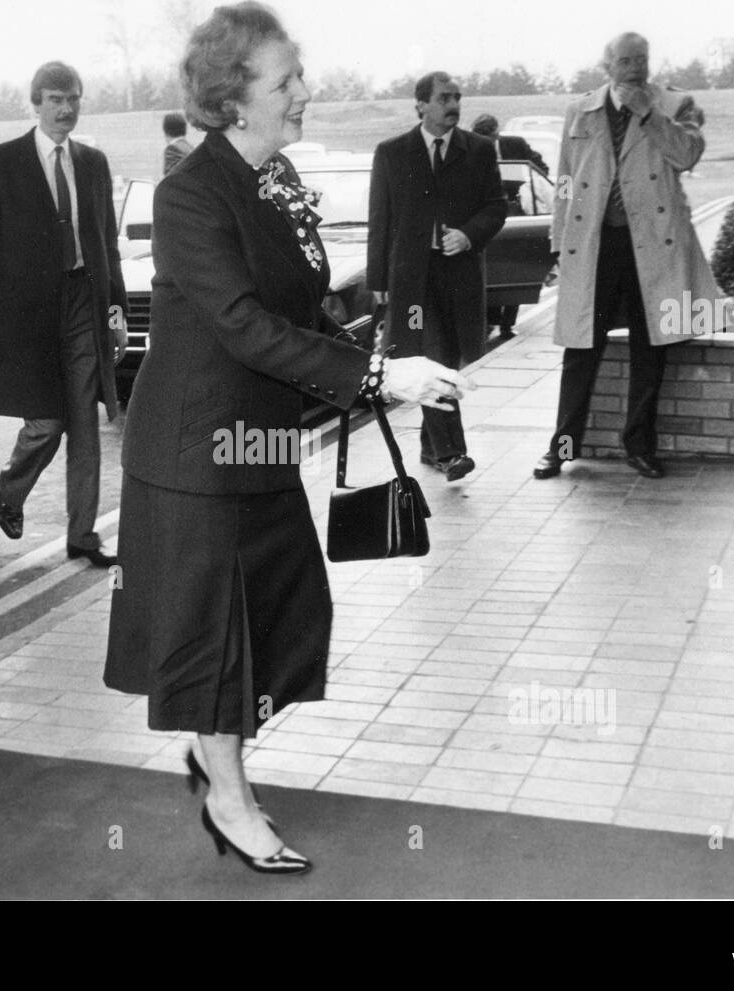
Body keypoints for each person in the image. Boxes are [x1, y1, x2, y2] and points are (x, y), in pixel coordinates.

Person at [104, 1, 472, 876]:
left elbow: (295, 310)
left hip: (261, 445)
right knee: (218, 636)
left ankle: (212, 744)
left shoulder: (275, 181)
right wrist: (379, 381)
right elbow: (239, 324)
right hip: (198, 453)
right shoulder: (189, 194)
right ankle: (228, 795)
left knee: (289, 613)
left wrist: (369, 339)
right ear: (235, 101)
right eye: (286, 81)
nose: (305, 92)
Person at [533, 32, 722, 481]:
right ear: (608, 65)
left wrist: (649, 115)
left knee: (650, 346)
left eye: (642, 59)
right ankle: (561, 448)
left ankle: (639, 446)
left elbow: (688, 154)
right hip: (596, 245)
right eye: (625, 60)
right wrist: (559, 243)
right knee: (581, 349)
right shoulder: (580, 109)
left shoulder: (675, 105)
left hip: (653, 244)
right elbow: (563, 180)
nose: (635, 67)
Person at [0, 61, 127, 566]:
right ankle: (12, 487)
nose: (66, 108)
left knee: (84, 422)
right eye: (55, 99)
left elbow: (106, 245)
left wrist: (116, 311)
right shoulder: (0, 162)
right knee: (46, 423)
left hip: (83, 304)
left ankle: (84, 536)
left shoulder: (93, 163)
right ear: (35, 103)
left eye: (73, 98)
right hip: (25, 316)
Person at [368, 71, 508, 483]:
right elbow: (381, 219)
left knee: (447, 355)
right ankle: (452, 452)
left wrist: (468, 235)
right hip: (412, 282)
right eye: (444, 97)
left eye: (457, 97)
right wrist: (378, 280)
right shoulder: (392, 153)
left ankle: (431, 447)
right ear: (421, 105)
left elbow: (496, 207)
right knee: (431, 352)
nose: (453, 105)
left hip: (458, 276)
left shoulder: (479, 150)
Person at [470, 112, 548, 342]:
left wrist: (524, 182)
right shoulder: (470, 150)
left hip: (514, 209)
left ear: (497, 134)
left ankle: (507, 324)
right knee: (491, 267)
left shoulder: (515, 145)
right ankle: (491, 319)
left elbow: (540, 167)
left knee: (517, 265)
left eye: (490, 140)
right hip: (483, 212)